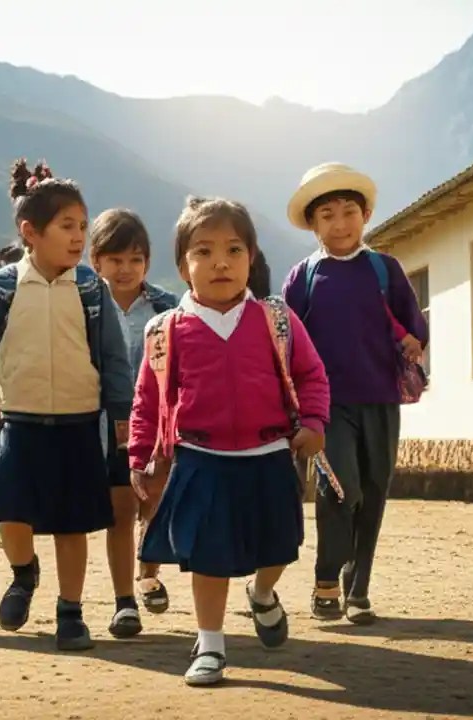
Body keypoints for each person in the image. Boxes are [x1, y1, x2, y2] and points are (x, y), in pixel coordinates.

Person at [129, 196, 330, 686]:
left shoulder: (275, 320)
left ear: (251, 259)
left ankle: (262, 594)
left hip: (269, 455)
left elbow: (311, 374)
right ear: (183, 267)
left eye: (234, 249)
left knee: (279, 546)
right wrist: (141, 455)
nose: (220, 261)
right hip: (201, 458)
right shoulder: (168, 331)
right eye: (203, 251)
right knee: (210, 554)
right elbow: (146, 399)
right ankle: (211, 646)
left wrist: (314, 423)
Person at [0, 159, 132, 651]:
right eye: (67, 226)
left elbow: (114, 358)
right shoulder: (2, 287)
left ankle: (71, 613)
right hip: (19, 421)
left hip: (80, 424)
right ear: (29, 232)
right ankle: (22, 574)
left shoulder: (90, 289)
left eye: (83, 225)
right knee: (8, 506)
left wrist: (120, 415)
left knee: (71, 523)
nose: (80, 236)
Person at [282, 162, 428, 625]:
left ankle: (358, 589)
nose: (339, 224)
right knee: (339, 486)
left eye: (348, 212)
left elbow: (415, 323)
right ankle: (327, 580)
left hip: (381, 398)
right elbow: (284, 341)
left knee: (373, 490)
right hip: (326, 406)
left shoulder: (385, 269)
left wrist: (412, 340)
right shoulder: (303, 278)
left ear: (364, 215)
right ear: (313, 224)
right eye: (327, 215)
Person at [87, 208, 179, 636]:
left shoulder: (166, 307)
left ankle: (148, 572)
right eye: (115, 259)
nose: (125, 269)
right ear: (96, 261)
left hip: (158, 426)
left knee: (153, 505)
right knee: (120, 512)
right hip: (105, 425)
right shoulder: (84, 305)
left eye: (135, 259)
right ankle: (125, 600)